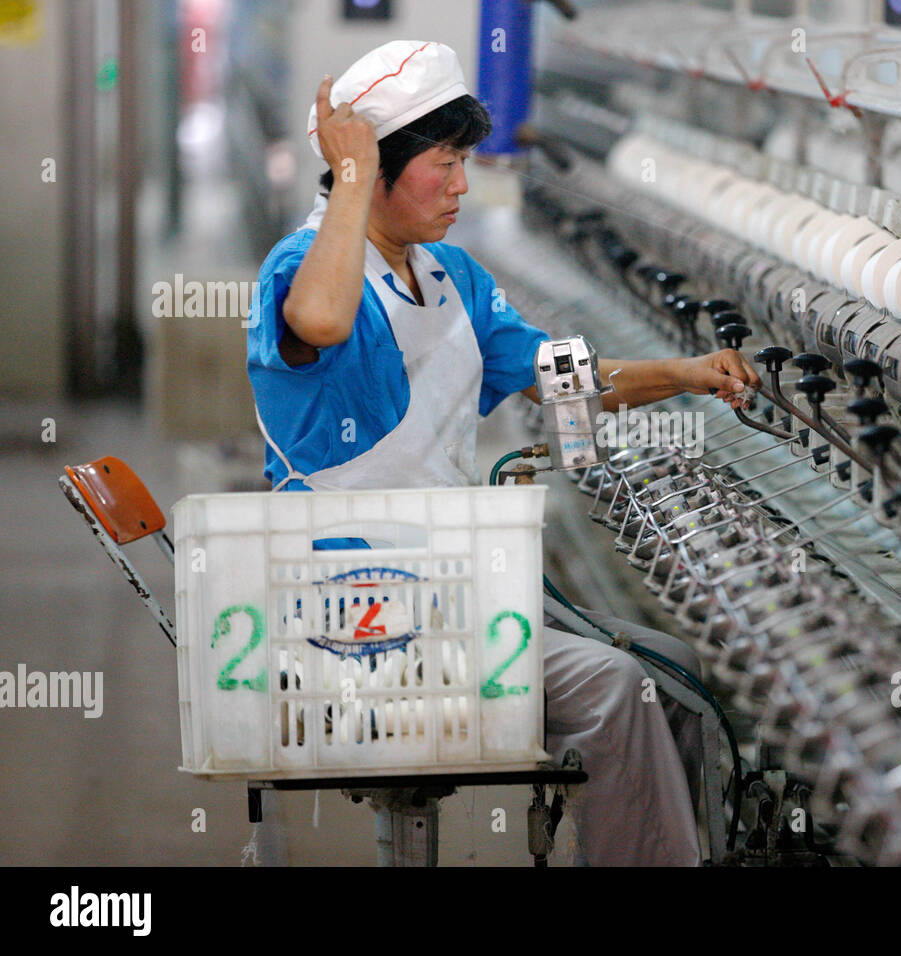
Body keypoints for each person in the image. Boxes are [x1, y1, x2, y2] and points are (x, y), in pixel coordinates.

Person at [246, 40, 759, 865]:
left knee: (673, 669)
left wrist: (686, 374)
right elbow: (324, 323)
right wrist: (346, 181)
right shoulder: (301, 269)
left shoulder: (451, 277)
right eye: (442, 165)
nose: (460, 186)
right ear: (371, 170)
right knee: (616, 688)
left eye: (464, 163)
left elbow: (564, 377)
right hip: (355, 612)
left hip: (445, 590)